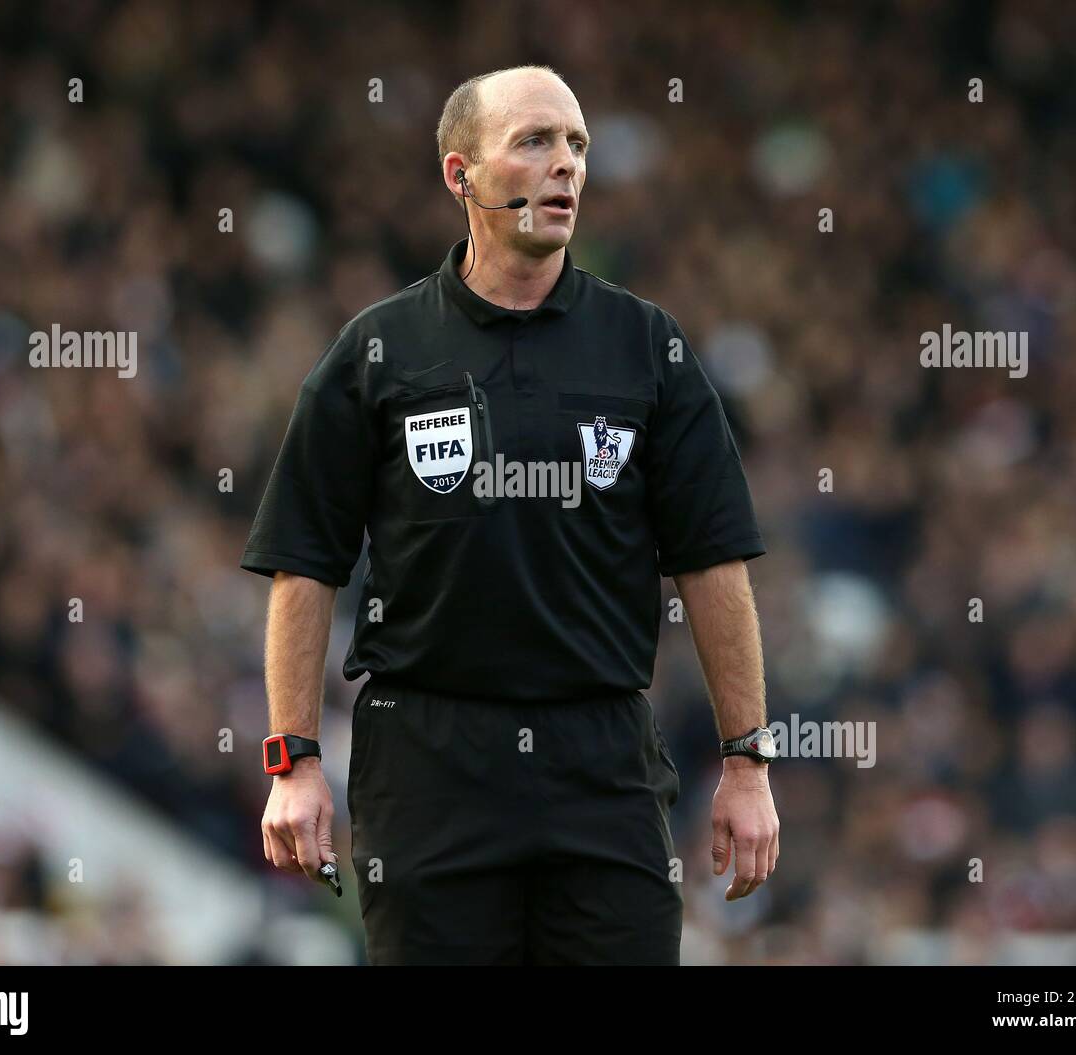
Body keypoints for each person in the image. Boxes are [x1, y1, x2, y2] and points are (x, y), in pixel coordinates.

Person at [241, 65, 777, 965]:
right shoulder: (379, 350)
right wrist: (292, 758)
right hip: (427, 761)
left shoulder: (647, 346)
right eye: (535, 141)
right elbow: (304, 562)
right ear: (462, 176)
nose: (565, 165)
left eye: (576, 145)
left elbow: (714, 562)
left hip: (600, 757)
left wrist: (747, 762)